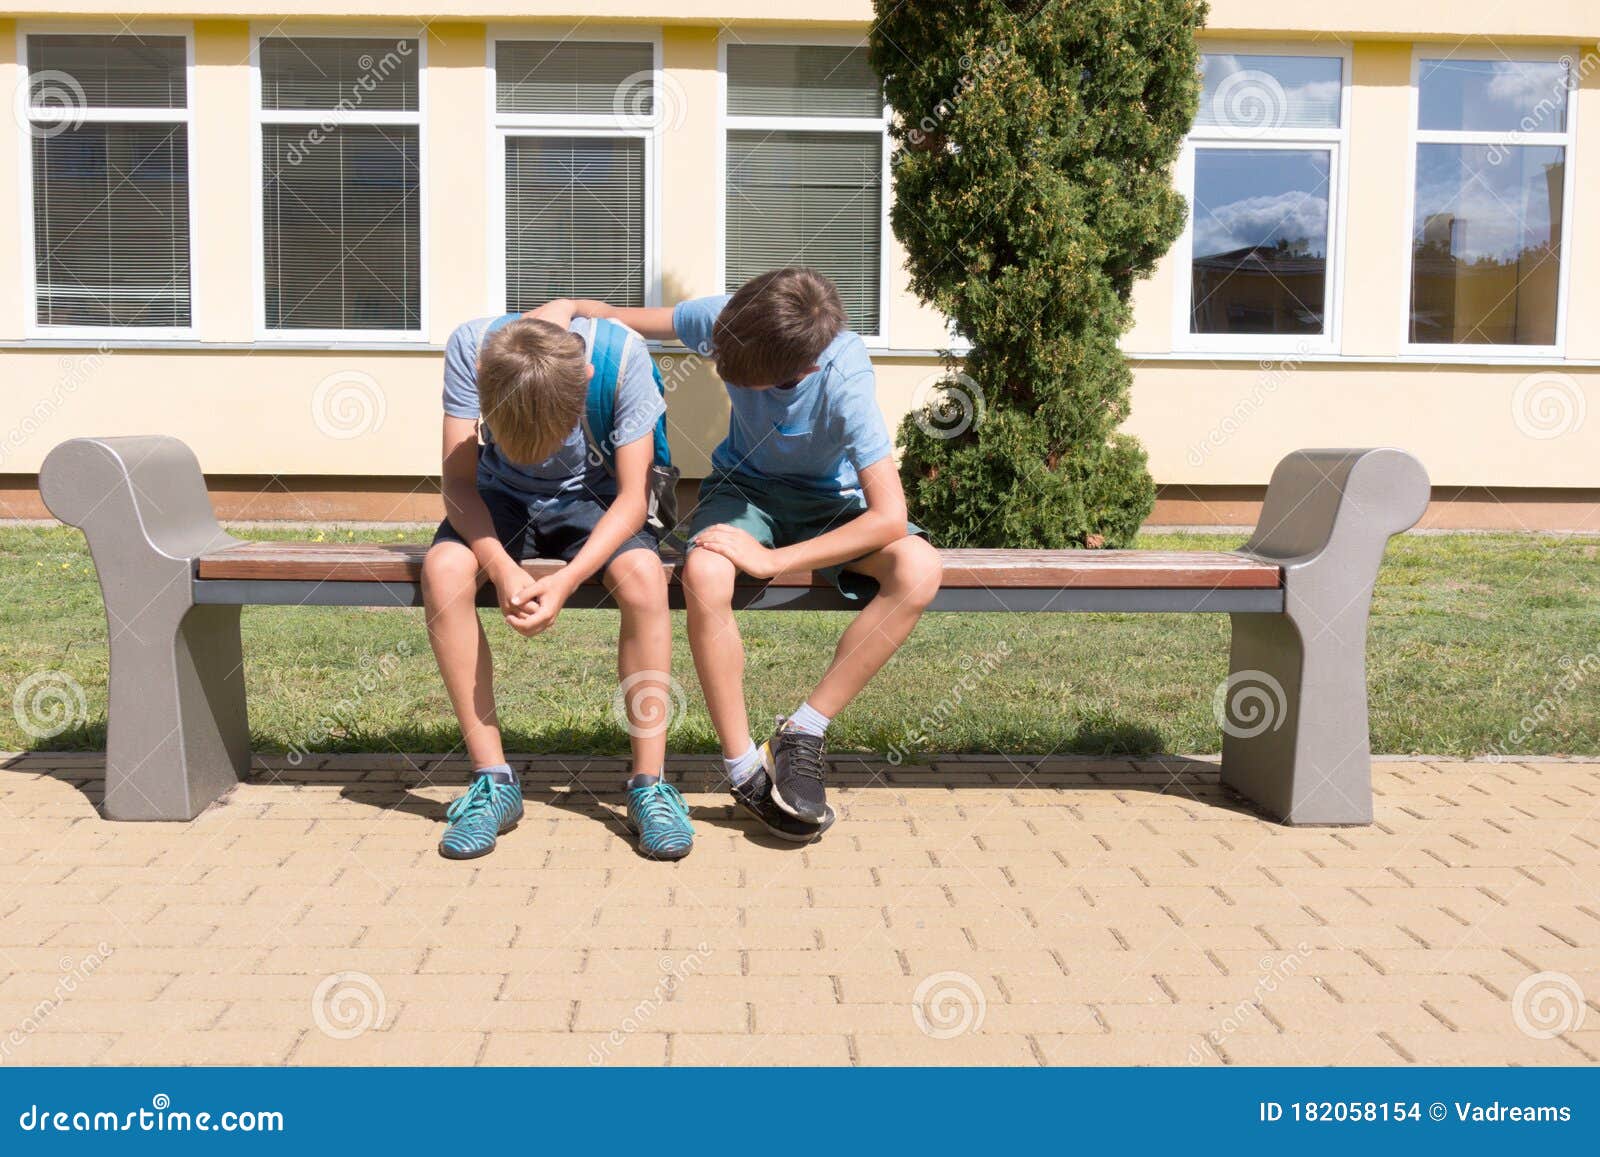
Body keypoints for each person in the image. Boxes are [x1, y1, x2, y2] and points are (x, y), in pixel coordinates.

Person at [546, 269, 942, 842]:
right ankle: (741, 768)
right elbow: (611, 315)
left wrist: (772, 560)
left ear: (798, 369)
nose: (717, 361)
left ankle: (803, 732)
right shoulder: (736, 320)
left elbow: (888, 514)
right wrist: (563, 304)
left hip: (831, 506)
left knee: (920, 567)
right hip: (744, 491)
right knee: (704, 571)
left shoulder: (842, 375)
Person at [422, 304, 692, 861]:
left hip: (597, 499)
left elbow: (632, 498)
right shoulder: (473, 351)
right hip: (499, 500)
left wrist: (567, 580)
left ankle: (650, 784)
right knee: (443, 569)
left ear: (583, 384)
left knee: (643, 576)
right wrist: (499, 566)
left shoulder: (618, 361)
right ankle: (492, 781)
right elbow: (458, 485)